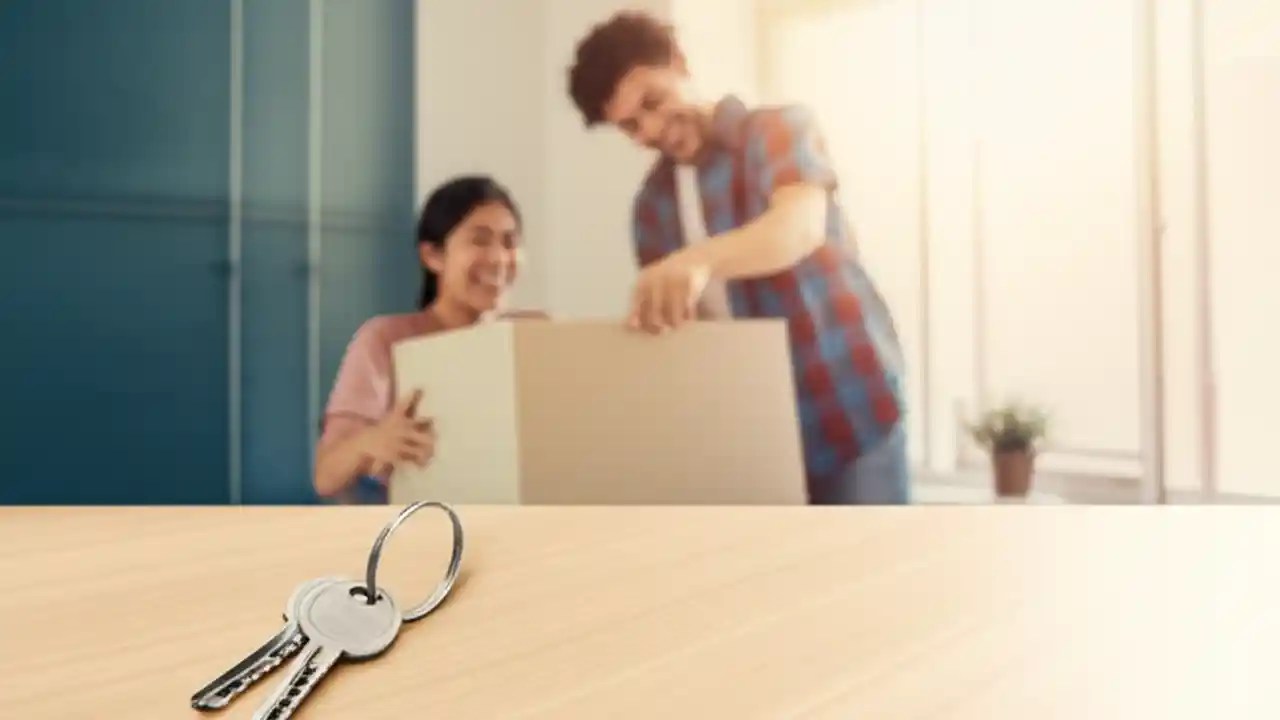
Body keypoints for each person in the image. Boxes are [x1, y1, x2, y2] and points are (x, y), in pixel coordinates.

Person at [566, 11, 910, 505]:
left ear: (679, 62)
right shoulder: (651, 210)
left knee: (872, 576)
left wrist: (697, 261)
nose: (654, 128)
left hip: (849, 411)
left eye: (654, 102)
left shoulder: (779, 129)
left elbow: (798, 228)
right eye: (631, 126)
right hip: (755, 441)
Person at [314, 175, 544, 503]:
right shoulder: (385, 340)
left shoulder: (531, 336)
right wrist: (373, 441)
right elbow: (326, 476)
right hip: (424, 529)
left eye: (509, 242)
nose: (498, 257)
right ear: (433, 256)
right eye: (479, 240)